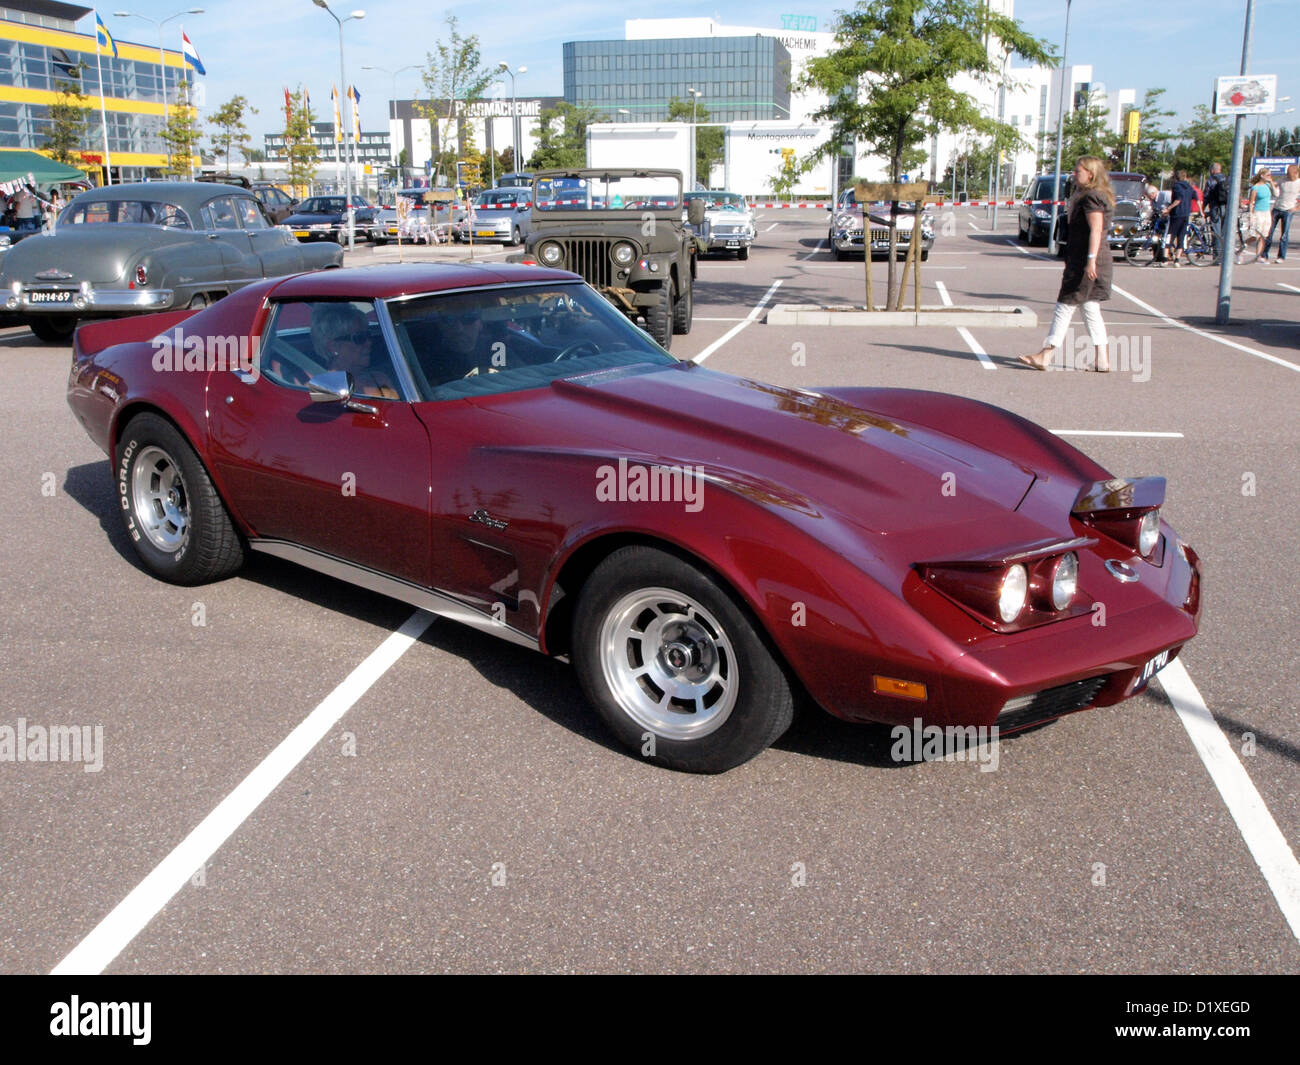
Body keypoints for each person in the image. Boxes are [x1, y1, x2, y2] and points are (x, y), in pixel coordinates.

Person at [1019, 156, 1114, 373]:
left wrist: (1090, 261)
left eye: (1078, 170)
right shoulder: (1088, 195)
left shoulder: (1092, 198)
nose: (1074, 173)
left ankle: (1046, 354)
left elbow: (1096, 229)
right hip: (1085, 258)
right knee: (1090, 308)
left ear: (1090, 173)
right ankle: (1102, 359)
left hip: (1087, 260)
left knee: (1065, 305)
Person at [1261, 163, 1299, 263]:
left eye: (1289, 173)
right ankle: (1264, 255)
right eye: (1287, 173)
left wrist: (1296, 208)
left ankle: (1281, 256)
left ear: (1295, 173)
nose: (1287, 175)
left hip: (1288, 210)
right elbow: (1274, 186)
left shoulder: (1298, 183)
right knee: (1269, 232)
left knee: (1284, 235)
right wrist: (1269, 181)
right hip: (1277, 208)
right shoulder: (1283, 180)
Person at [1239, 169, 1276, 264]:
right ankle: (1240, 251)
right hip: (1258, 212)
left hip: (1266, 212)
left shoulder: (1268, 185)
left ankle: (1258, 256)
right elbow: (1251, 203)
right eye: (1268, 175)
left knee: (1263, 236)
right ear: (1262, 175)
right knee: (1255, 236)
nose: (1270, 176)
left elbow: (1276, 194)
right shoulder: (1255, 188)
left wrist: (1271, 183)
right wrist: (1251, 215)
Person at [1162, 170, 1196, 267]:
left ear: (1176, 178)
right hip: (1186, 214)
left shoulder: (1177, 186)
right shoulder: (1189, 187)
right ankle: (1177, 260)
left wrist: (1168, 209)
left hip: (1177, 214)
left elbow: (1178, 200)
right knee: (1181, 237)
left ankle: (1165, 259)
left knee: (1170, 236)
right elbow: (1196, 197)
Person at [1203, 162, 1229, 255]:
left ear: (1212, 170)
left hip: (1215, 208)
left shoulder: (1211, 180)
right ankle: (1225, 254)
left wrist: (1202, 208)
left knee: (1216, 232)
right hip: (1226, 207)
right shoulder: (1227, 179)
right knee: (1225, 231)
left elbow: (1206, 195)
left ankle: (1217, 255)